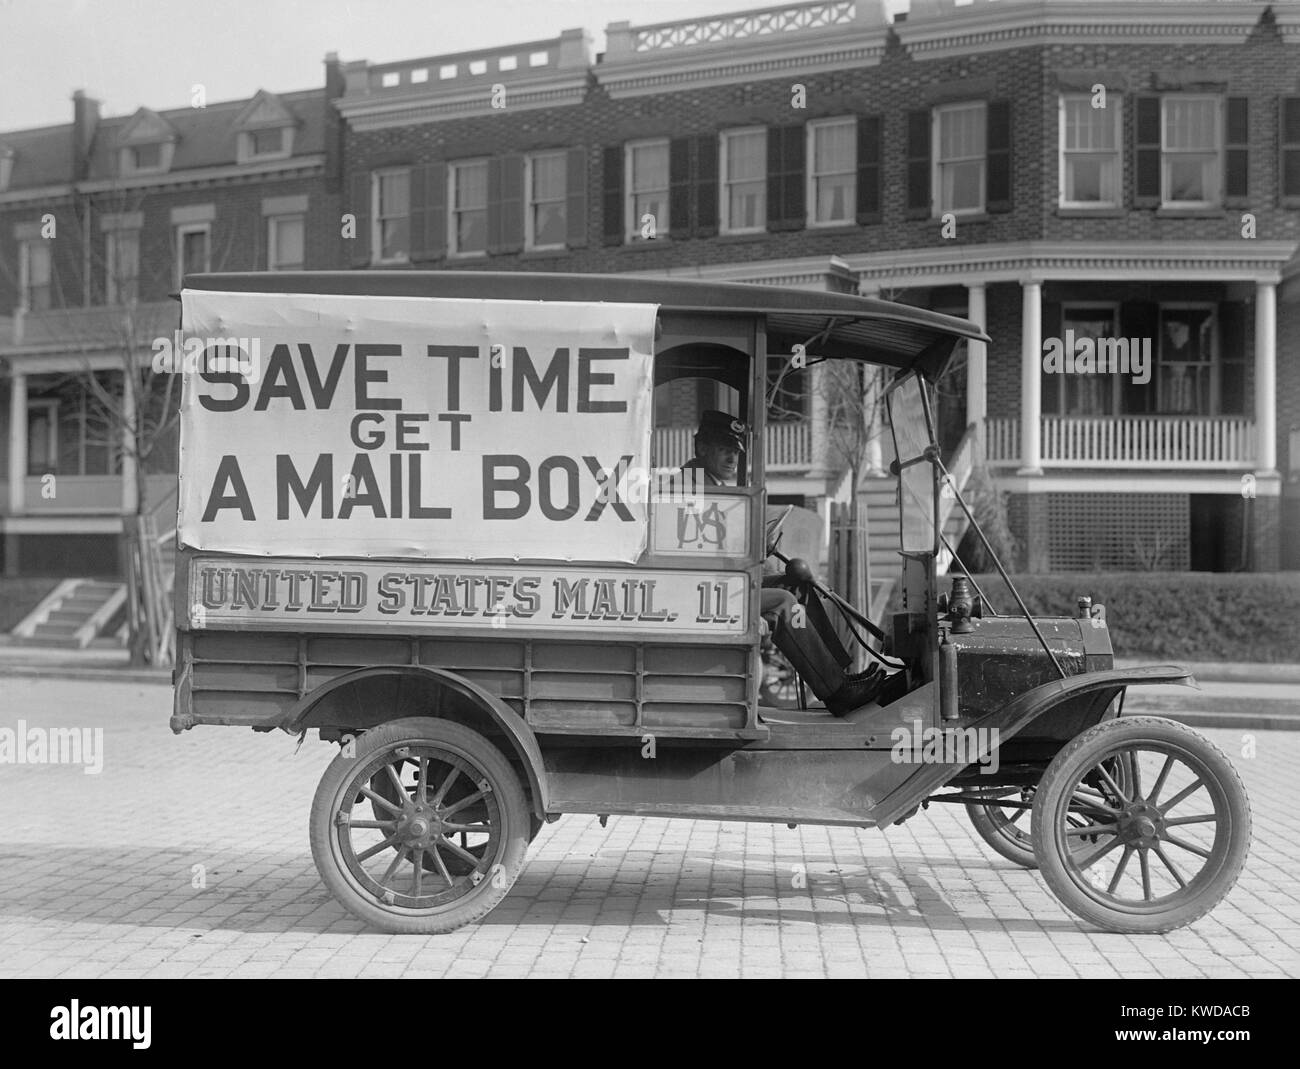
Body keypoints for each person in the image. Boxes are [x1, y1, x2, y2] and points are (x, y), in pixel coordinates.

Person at [676, 410, 892, 716]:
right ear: (701, 448)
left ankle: (838, 676)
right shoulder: (690, 485)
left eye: (735, 451)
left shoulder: (710, 483)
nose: (731, 459)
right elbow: (700, 549)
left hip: (722, 586)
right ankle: (838, 691)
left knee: (797, 585)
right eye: (724, 449)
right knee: (783, 602)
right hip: (702, 593)